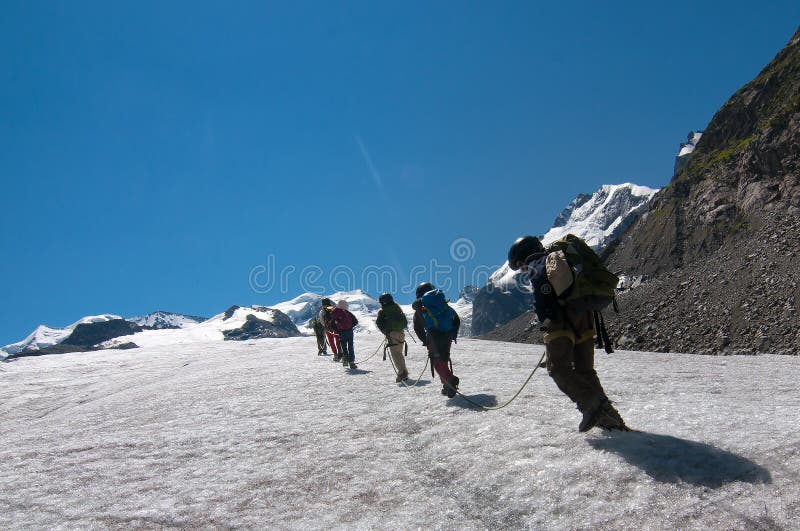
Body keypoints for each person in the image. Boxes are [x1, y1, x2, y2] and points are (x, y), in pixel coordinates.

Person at [507, 235, 627, 432]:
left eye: (520, 265)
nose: (522, 269)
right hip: (585, 317)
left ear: (523, 257)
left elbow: (543, 294)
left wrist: (547, 322)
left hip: (561, 320)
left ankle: (590, 405)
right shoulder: (560, 258)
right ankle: (612, 421)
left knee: (557, 368)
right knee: (585, 370)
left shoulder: (537, 262)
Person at [411, 282, 461, 398]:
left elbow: (417, 328)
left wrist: (425, 340)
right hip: (448, 335)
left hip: (433, 337)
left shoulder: (420, 307)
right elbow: (456, 318)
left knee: (437, 363)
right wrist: (453, 334)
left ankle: (449, 380)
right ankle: (448, 386)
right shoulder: (441, 303)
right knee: (443, 360)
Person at [375, 293, 409, 382]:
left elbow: (379, 323)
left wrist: (386, 331)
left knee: (395, 354)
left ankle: (402, 373)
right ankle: (404, 372)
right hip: (401, 333)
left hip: (392, 334)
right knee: (399, 353)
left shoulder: (383, 311)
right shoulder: (397, 308)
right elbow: (405, 322)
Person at [332, 299, 359, 369]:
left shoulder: (334, 312)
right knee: (350, 347)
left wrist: (338, 330)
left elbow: (332, 324)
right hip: (349, 332)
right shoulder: (347, 313)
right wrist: (350, 327)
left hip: (341, 332)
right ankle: (352, 362)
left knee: (343, 347)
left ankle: (345, 360)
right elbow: (356, 321)